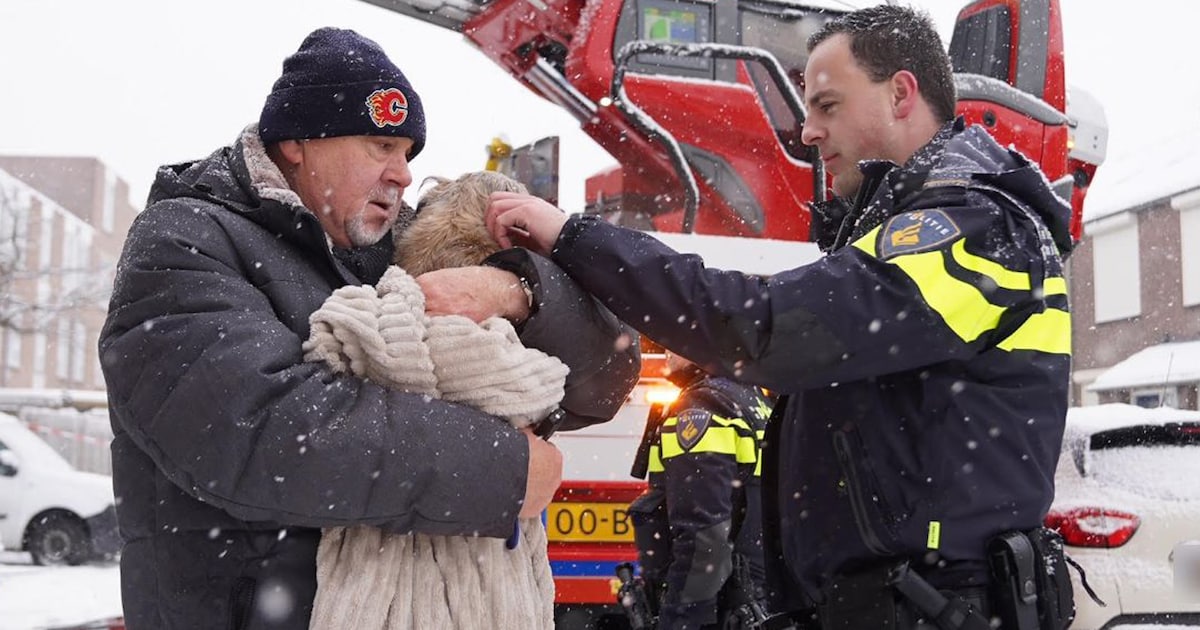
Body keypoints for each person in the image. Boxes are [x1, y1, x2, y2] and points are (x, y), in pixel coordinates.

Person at [485, 5, 1074, 628]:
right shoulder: (921, 233)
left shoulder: (973, 231)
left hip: (933, 607)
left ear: (901, 93)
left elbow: (767, 325)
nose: (807, 131)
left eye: (827, 105)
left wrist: (575, 239)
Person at [98, 28, 639, 629]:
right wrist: (504, 470)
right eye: (381, 145)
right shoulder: (183, 241)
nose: (404, 174)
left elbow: (607, 376)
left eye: (408, 153)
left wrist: (517, 290)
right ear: (297, 143)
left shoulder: (406, 251)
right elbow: (257, 427)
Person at [306, 171, 567, 630]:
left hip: (364, 573)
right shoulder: (518, 347)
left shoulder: (364, 302)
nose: (401, 171)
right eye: (384, 148)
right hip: (493, 576)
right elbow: (574, 374)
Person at [629, 349, 773, 630]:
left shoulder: (702, 407)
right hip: (757, 602)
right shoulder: (757, 400)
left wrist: (681, 619)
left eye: (675, 335)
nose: (665, 348)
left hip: (720, 609)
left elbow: (704, 539)